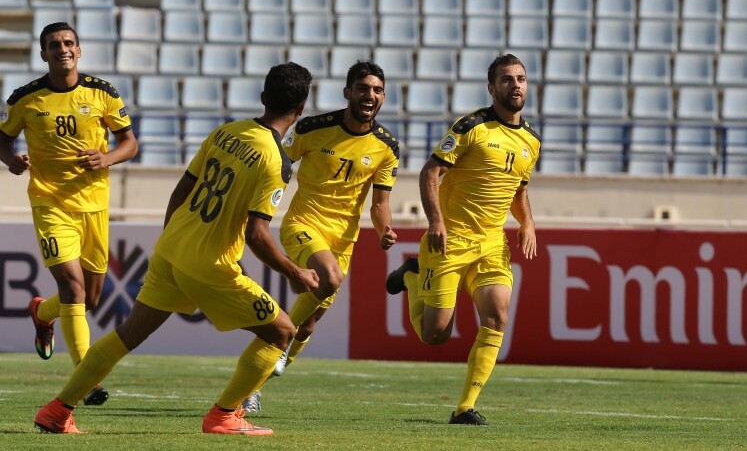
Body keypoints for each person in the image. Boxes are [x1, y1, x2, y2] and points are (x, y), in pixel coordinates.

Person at [33, 62, 320, 435]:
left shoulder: (226, 132)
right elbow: (257, 234)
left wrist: (174, 243)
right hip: (210, 264)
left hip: (171, 248)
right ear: (302, 110)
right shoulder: (276, 161)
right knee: (283, 332)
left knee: (128, 333)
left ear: (263, 97)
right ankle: (224, 416)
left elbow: (181, 190)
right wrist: (295, 272)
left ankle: (57, 411)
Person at [385, 54, 540, 425]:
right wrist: (435, 221)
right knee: (434, 335)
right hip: (450, 241)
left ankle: (464, 408)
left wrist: (528, 223)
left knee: (497, 316)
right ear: (492, 88)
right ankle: (411, 274)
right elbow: (430, 172)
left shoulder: (531, 140)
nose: (515, 85)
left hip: (491, 243)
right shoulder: (471, 127)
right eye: (506, 79)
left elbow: (518, 191)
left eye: (520, 78)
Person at [242, 60, 399, 412]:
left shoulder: (387, 146)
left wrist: (383, 228)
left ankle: (252, 387)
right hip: (304, 224)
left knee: (308, 324)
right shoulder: (312, 128)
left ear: (383, 97)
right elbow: (277, 164)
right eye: (362, 88)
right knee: (328, 278)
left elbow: (380, 203)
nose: (369, 95)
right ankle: (279, 348)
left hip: (344, 240)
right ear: (348, 93)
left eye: (376, 90)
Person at [0, 22, 139, 406]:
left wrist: (106, 156)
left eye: (68, 43)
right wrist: (11, 158)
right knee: (74, 289)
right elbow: (3, 135)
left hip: (94, 206)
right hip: (50, 203)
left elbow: (129, 142)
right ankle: (86, 377)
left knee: (90, 299)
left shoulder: (102, 93)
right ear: (43, 54)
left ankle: (42, 313)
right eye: (53, 45)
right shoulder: (25, 99)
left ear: (79, 51)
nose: (62, 49)